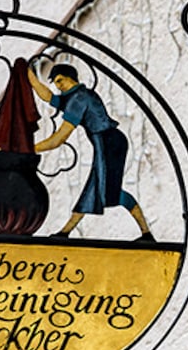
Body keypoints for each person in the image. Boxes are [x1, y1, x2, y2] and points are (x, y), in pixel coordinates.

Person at [28, 63, 153, 240]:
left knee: (99, 188)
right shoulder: (75, 96)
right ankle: (146, 233)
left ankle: (65, 232)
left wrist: (30, 148)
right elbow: (48, 97)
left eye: (60, 81)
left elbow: (59, 138)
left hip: (109, 143)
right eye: (55, 83)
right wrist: (29, 76)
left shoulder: (79, 99)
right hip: (108, 142)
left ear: (71, 77)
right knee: (106, 191)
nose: (58, 86)